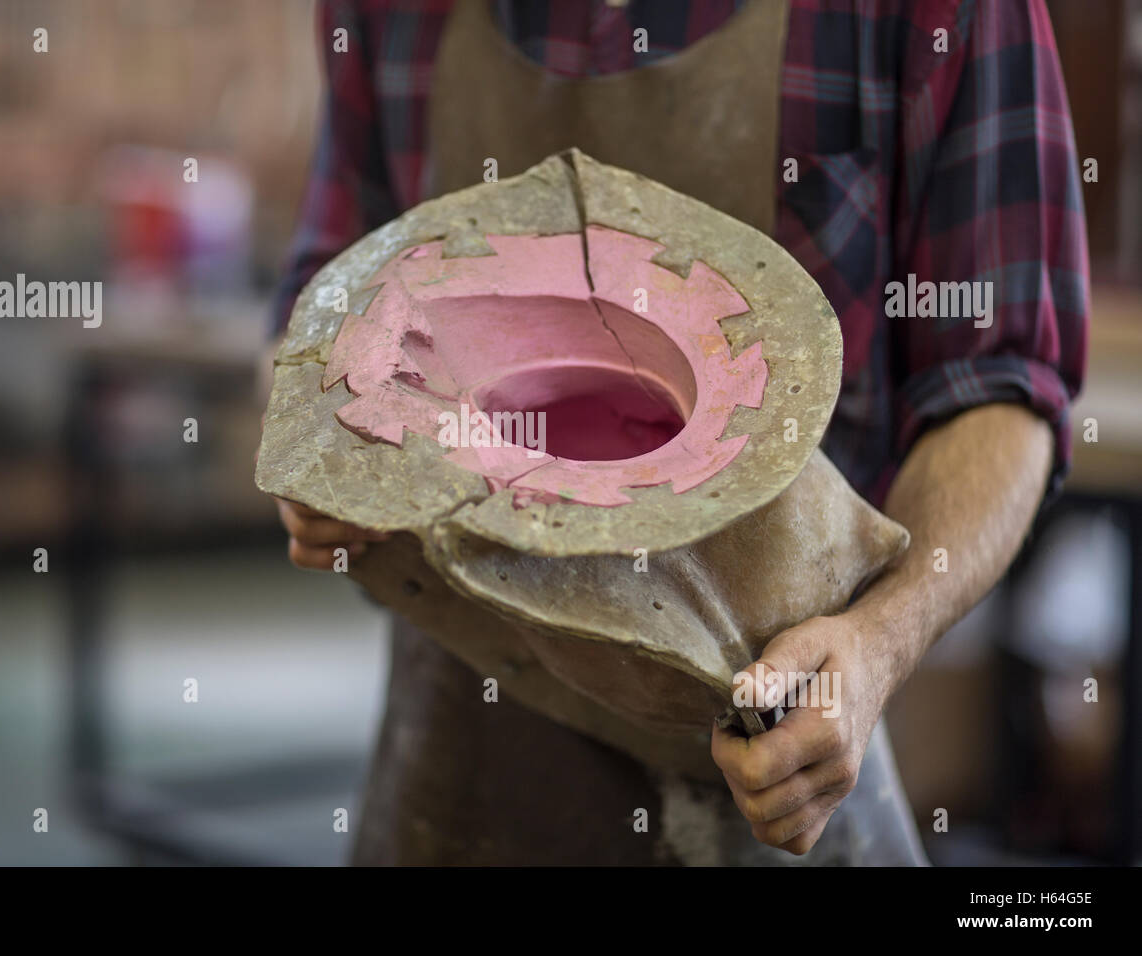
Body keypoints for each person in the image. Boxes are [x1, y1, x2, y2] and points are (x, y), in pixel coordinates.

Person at [267, 0, 1088, 864]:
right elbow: (322, 300)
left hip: (769, 731)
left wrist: (880, 639)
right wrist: (322, 451)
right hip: (464, 710)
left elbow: (997, 384)